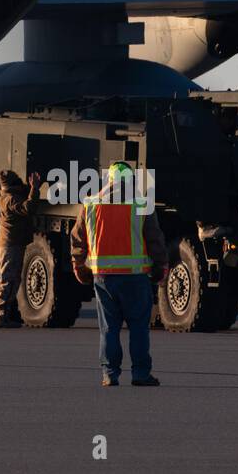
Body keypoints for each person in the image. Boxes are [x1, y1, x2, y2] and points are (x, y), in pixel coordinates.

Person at [71, 162, 168, 386]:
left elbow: (77, 240)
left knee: (108, 328)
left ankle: (109, 374)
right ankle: (141, 374)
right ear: (131, 180)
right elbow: (155, 240)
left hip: (103, 278)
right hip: (135, 277)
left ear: (110, 180)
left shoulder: (91, 204)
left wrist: (79, 266)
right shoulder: (142, 203)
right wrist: (161, 266)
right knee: (139, 328)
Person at [0, 168, 40, 328]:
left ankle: (2, 315)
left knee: (11, 279)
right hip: (10, 245)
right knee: (8, 280)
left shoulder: (6, 196)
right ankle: (0, 315)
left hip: (11, 243)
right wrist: (34, 188)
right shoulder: (10, 199)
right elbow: (29, 208)